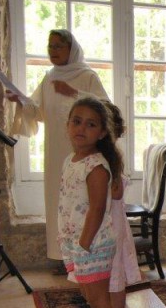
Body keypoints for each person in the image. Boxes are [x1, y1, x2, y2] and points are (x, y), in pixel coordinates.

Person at [8, 30, 109, 273]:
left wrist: (73, 93)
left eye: (58, 46)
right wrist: (21, 101)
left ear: (71, 49)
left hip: (83, 152)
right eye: (50, 46)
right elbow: (39, 111)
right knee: (61, 203)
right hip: (56, 153)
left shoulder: (87, 76)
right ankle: (64, 257)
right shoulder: (49, 77)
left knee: (82, 203)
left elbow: (106, 108)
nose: (53, 51)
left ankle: (85, 255)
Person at [58, 96, 121, 308]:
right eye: (76, 121)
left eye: (91, 124)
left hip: (93, 243)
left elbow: (97, 208)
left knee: (99, 300)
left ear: (102, 133)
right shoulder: (71, 160)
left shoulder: (96, 166)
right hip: (78, 242)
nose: (81, 128)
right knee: (90, 297)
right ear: (67, 124)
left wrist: (84, 243)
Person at [101, 100, 142, 308]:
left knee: (115, 280)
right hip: (104, 226)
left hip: (111, 228)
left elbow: (115, 195)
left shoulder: (110, 159)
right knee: (103, 281)